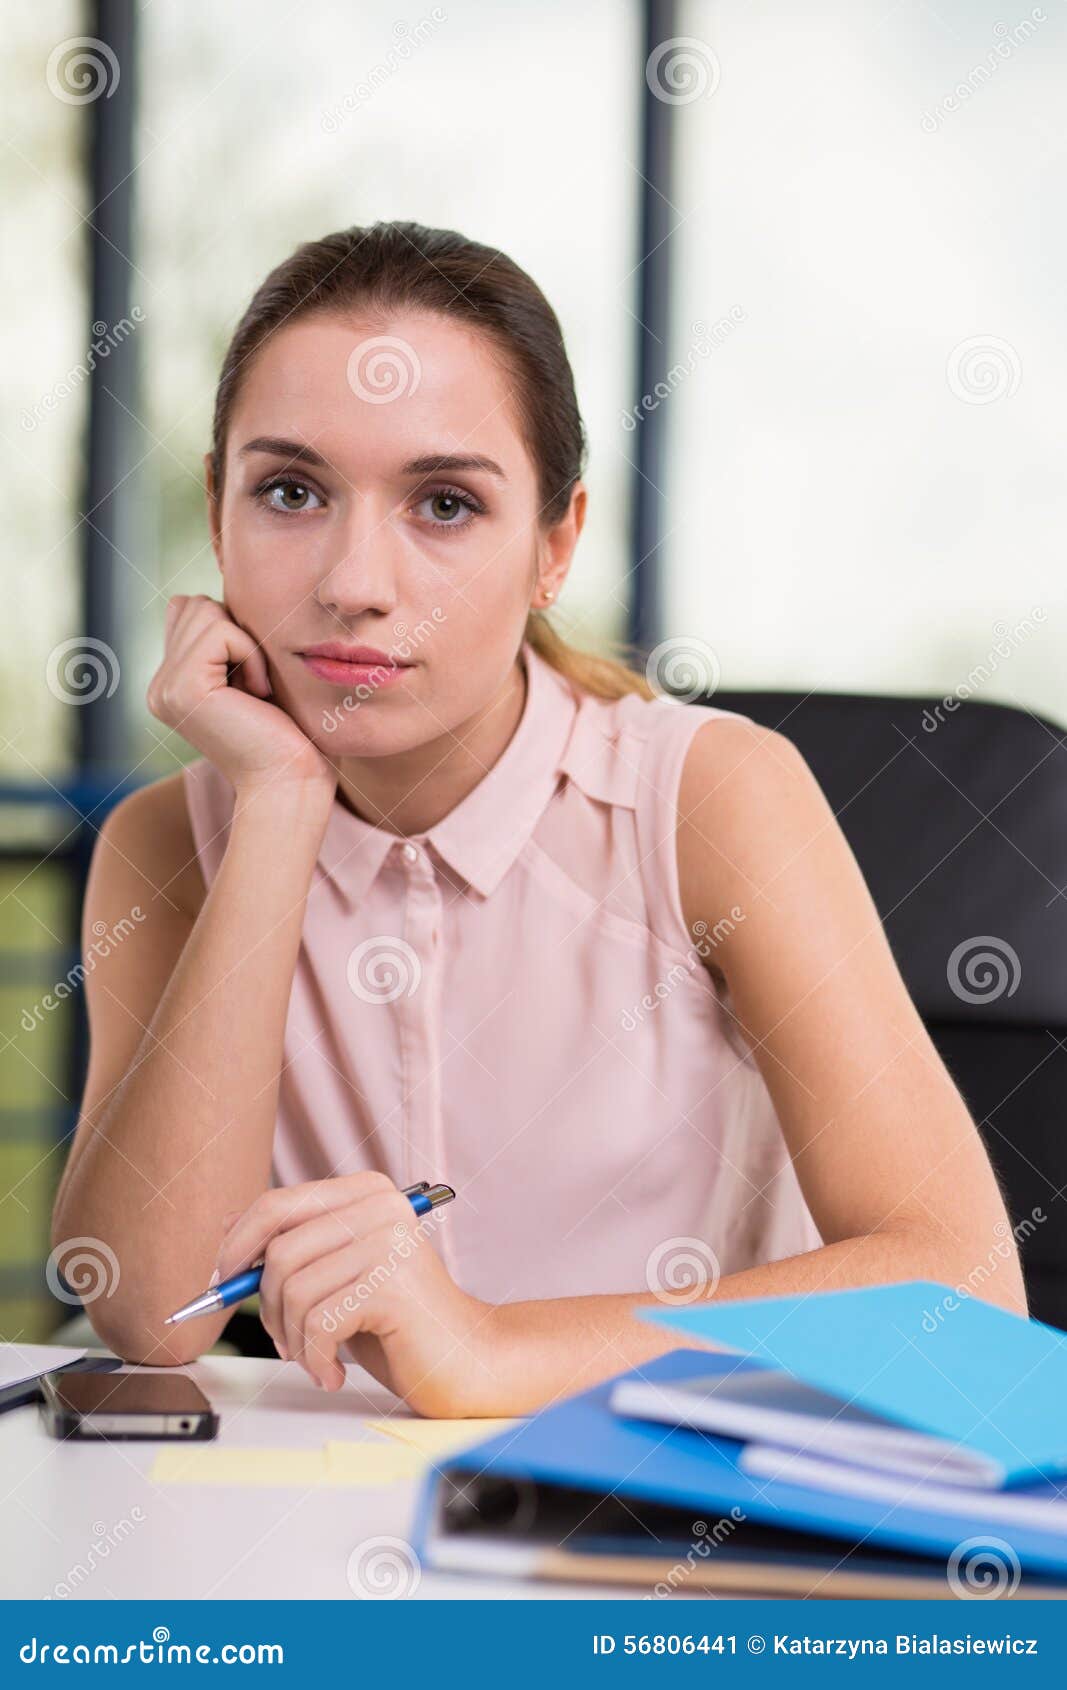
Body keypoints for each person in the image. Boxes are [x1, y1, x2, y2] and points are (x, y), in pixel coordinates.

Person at [51, 222, 1025, 1417]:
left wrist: (492, 1350)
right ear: (217, 508)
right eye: (291, 491)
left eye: (444, 504)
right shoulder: (172, 841)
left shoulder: (708, 797)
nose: (355, 581)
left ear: (553, 543)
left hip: (685, 1530)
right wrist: (278, 805)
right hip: (331, 1529)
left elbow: (967, 1297)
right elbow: (149, 1307)